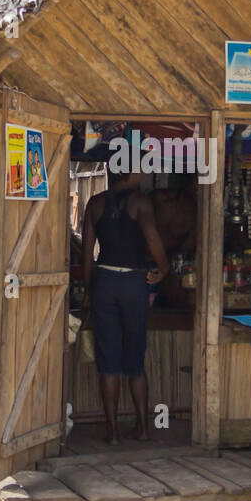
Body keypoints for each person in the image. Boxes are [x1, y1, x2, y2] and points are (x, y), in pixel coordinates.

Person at [81, 164, 169, 444]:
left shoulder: (94, 204)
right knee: (135, 359)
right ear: (129, 174)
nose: (142, 174)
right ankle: (142, 428)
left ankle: (112, 432)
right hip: (134, 283)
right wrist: (164, 268)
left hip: (105, 281)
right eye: (139, 170)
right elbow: (153, 238)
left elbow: (86, 255)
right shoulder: (140, 201)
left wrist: (87, 289)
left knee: (109, 362)